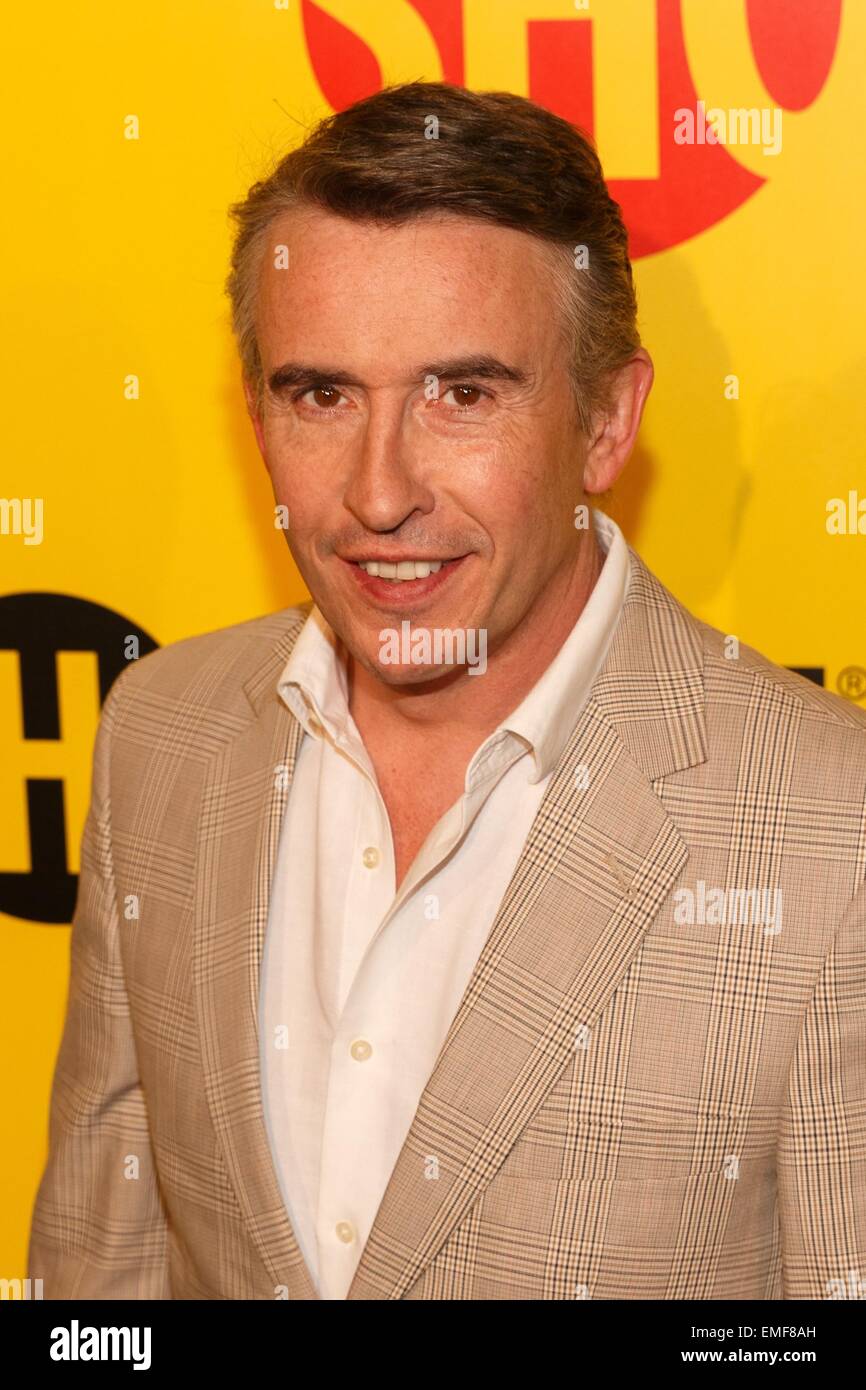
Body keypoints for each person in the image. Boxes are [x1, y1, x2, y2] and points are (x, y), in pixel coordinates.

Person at [29, 80, 866, 1300]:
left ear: (604, 422)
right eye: (319, 394)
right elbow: (100, 1286)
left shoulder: (826, 824)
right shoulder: (158, 733)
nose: (378, 493)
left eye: (461, 394)